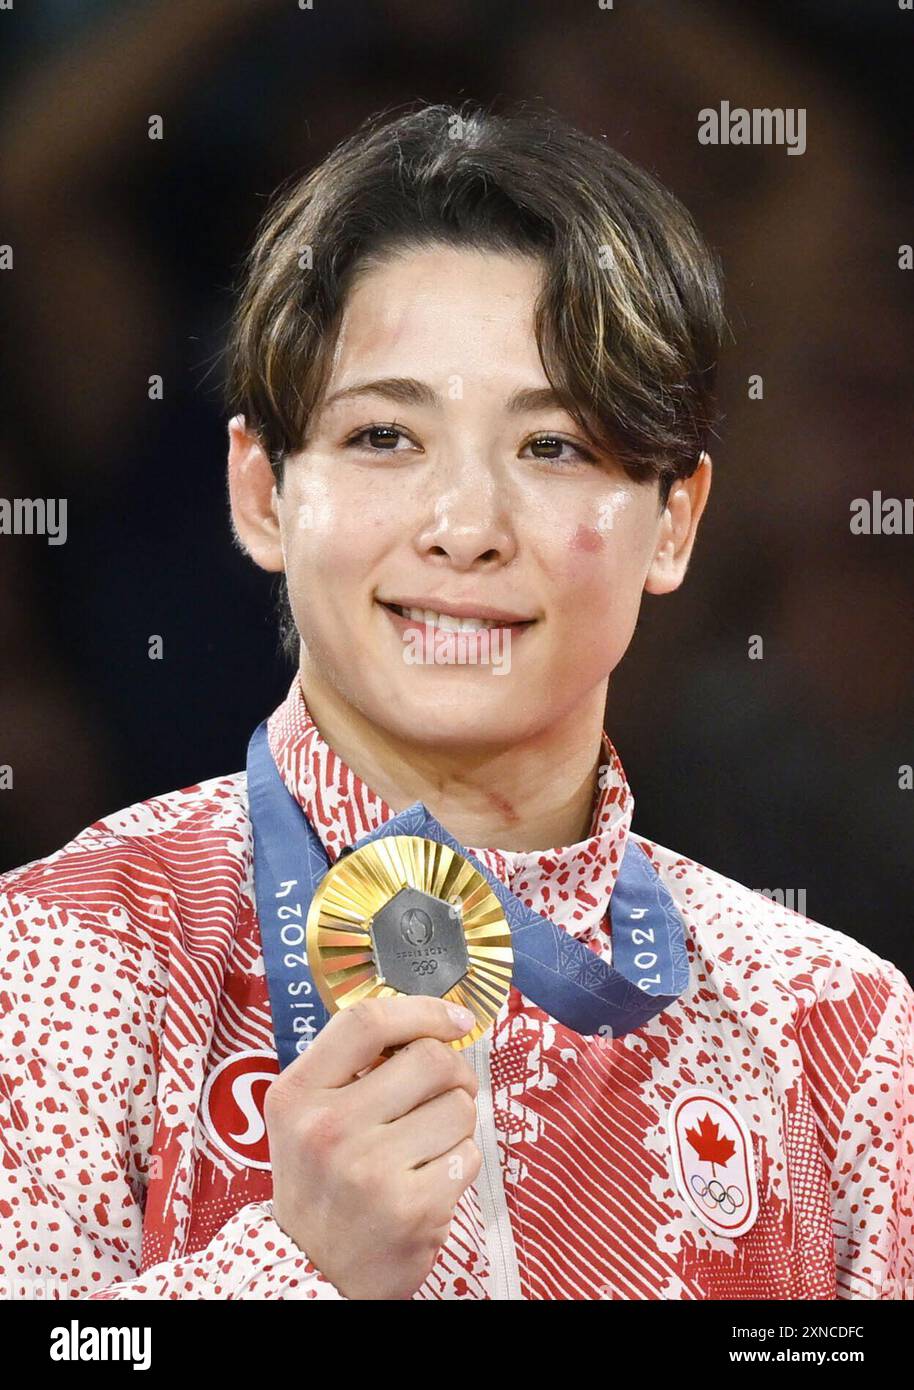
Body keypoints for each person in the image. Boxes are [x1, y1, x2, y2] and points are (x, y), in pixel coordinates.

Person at [1, 102, 911, 1302]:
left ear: (673, 521)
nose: (466, 530)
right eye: (385, 435)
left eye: (554, 449)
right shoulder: (70, 960)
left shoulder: (833, 1030)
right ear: (263, 492)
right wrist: (296, 1269)